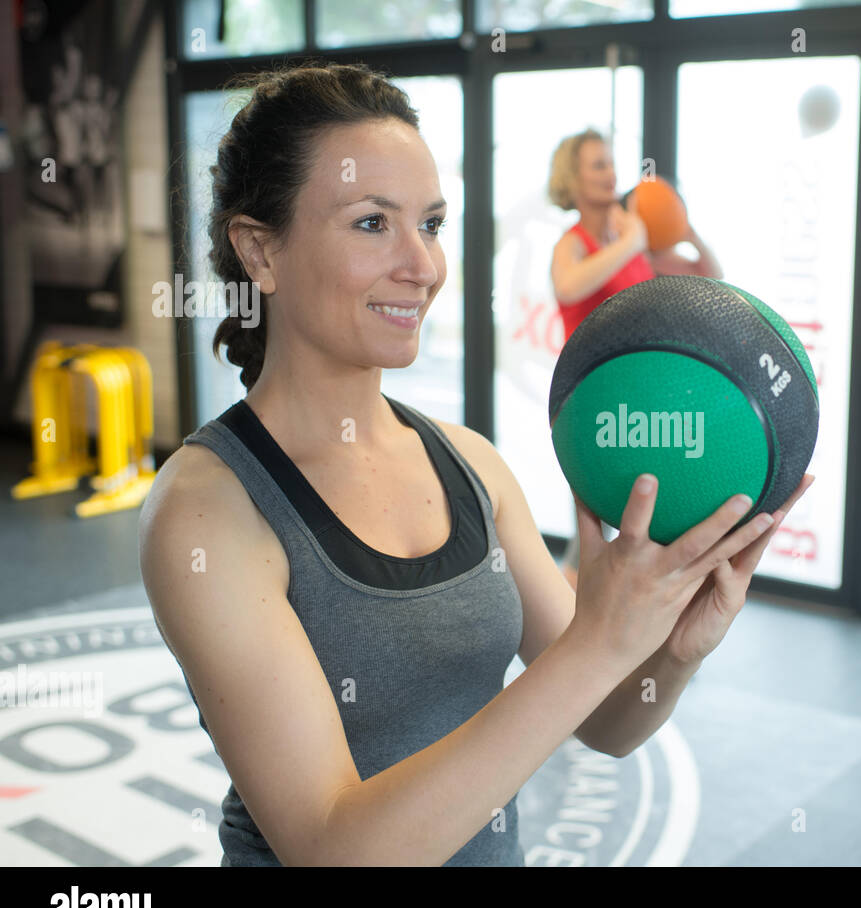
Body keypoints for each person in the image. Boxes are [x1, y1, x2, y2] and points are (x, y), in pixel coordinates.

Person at [138, 63, 811, 866]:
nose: (420, 266)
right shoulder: (209, 509)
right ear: (260, 251)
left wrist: (672, 650)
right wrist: (599, 641)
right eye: (369, 224)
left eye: (430, 223)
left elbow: (608, 722)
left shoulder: (471, 465)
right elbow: (331, 847)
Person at [548, 129, 723, 589]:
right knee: (591, 529)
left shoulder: (632, 237)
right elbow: (569, 287)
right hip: (591, 400)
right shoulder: (575, 243)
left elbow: (711, 277)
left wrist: (684, 229)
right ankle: (568, 632)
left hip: (641, 401)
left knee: (640, 523)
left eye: (611, 163)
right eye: (598, 165)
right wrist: (631, 241)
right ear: (574, 177)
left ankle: (632, 639)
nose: (611, 174)